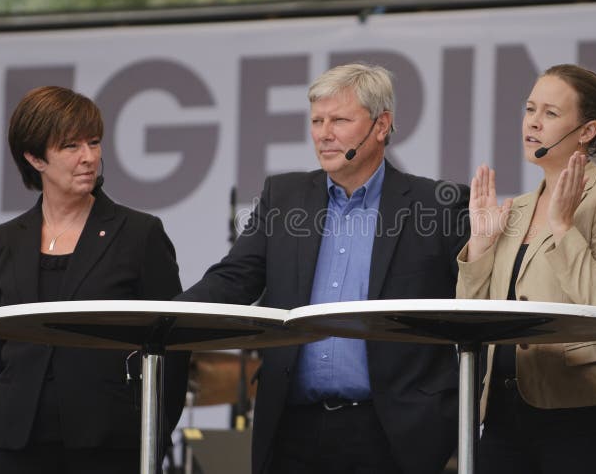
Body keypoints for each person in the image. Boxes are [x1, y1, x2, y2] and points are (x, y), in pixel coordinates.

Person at [179, 62, 468, 474]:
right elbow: (233, 279)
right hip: (292, 428)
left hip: (394, 433)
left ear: (381, 125)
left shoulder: (436, 205)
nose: (324, 133)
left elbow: (475, 303)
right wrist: (166, 319)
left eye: (340, 120)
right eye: (316, 120)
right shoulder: (284, 196)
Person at [457, 64, 596, 473]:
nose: (533, 123)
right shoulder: (517, 208)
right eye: (530, 109)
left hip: (584, 413)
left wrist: (564, 227)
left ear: (587, 130)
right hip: (503, 413)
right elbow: (470, 318)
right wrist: (480, 245)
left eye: (550, 113)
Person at [0, 86, 189, 474]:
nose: (89, 157)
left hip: (110, 443)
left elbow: (172, 344)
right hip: (16, 442)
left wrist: (155, 435)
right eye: (70, 146)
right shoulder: (2, 241)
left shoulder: (138, 233)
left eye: (94, 142)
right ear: (34, 157)